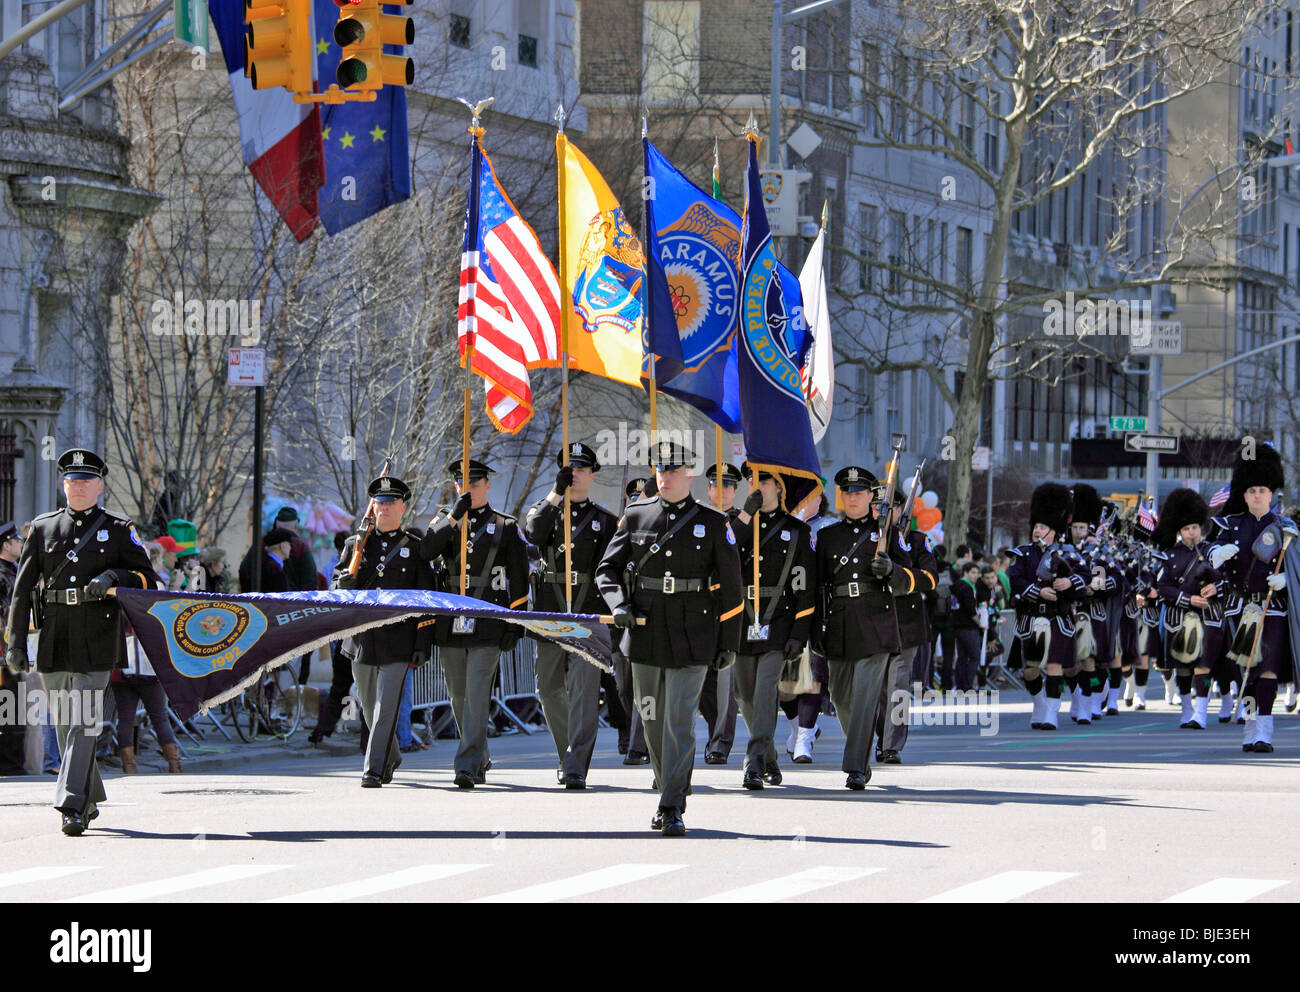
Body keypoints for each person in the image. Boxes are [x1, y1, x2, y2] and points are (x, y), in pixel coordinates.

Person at [3, 448, 159, 836]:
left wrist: (112, 577)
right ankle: (89, 798)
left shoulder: (119, 530)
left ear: (100, 486)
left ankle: (70, 804)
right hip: (55, 637)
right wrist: (16, 643)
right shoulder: (42, 528)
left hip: (97, 636)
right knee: (67, 723)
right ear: (63, 484)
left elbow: (147, 580)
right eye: (72, 481)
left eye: (86, 481)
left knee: (85, 720)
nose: (78, 487)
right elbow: (21, 594)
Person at [596, 440, 743, 836]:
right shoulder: (636, 515)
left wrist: (729, 643)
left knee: (678, 719)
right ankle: (671, 784)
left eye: (673, 470)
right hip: (644, 631)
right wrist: (619, 605)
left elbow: (732, 588)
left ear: (689, 474)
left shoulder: (713, 523)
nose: (665, 476)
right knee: (651, 717)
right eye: (660, 469)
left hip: (694, 632)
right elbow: (606, 571)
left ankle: (671, 803)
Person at [422, 458, 530, 789]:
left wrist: (516, 621)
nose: (467, 488)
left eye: (474, 483)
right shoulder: (445, 520)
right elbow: (427, 551)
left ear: (487, 485)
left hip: (488, 619)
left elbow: (519, 575)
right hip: (452, 621)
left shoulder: (505, 525)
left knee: (478, 691)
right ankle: (479, 755)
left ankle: (466, 764)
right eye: (461, 483)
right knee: (458, 694)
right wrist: (454, 515)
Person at [815, 466, 920, 790]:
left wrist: (891, 570)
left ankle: (856, 766)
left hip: (876, 623)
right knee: (841, 697)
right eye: (847, 492)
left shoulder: (885, 532)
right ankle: (860, 747)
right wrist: (815, 630)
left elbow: (911, 578)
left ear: (871, 496)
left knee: (863, 698)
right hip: (840, 622)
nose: (852, 498)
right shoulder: (828, 536)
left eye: (858, 492)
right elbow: (819, 586)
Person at [524, 441, 618, 789]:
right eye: (568, 468)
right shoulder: (546, 510)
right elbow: (533, 533)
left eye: (581, 468)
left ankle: (576, 762)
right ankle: (567, 751)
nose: (574, 473)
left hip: (588, 615)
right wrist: (555, 493)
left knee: (583, 691)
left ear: (593, 475)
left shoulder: (605, 520)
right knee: (548, 688)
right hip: (550, 611)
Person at [332, 475, 436, 787]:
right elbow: (337, 585)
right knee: (366, 704)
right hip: (362, 638)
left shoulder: (414, 548)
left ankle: (373, 768)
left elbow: (426, 600)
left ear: (402, 507)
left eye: (391, 503)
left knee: (386, 705)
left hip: (399, 639)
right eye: (380, 502)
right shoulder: (356, 544)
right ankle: (391, 757)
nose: (385, 508)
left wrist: (423, 642)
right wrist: (343, 583)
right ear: (373, 507)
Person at [730, 464, 815, 789]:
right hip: (742, 622)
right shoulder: (736, 524)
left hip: (778, 621)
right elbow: (723, 552)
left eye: (764, 480)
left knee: (765, 692)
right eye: (752, 479)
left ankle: (752, 763)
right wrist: (744, 517)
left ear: (779, 487)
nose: (756, 485)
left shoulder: (797, 531)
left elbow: (806, 588)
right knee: (745, 696)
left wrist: (799, 634)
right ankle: (770, 759)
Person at [1211, 445, 1295, 752]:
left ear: (1271, 494)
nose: (1257, 495)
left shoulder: (1287, 528)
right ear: (1244, 495)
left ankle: (1265, 731)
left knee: (1269, 668)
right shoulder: (1230, 526)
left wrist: (1286, 579)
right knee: (1244, 672)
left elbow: (1298, 568)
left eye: (1262, 490)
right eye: (1252, 490)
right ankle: (1249, 728)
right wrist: (1218, 554)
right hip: (1240, 607)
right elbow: (1210, 556)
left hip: (1273, 607)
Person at [1006, 483, 1089, 730]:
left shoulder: (1068, 553)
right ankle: (1040, 703)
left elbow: (1085, 574)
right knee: (1030, 670)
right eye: (1036, 526)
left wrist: (1067, 582)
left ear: (1053, 532)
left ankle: (1052, 713)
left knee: (1055, 665)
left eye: (1042, 526)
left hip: (1057, 618)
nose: (1037, 530)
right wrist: (1039, 591)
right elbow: (1015, 579)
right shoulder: (1022, 554)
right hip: (1031, 618)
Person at [1153, 488, 1227, 731]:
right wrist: (1188, 599)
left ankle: (1201, 712)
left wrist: (1216, 588)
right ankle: (1187, 709)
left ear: (1201, 527)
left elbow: (1227, 580)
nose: (1191, 532)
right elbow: (1162, 587)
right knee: (1184, 667)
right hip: (1180, 618)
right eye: (1186, 529)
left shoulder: (1212, 551)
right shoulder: (1169, 555)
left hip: (1208, 617)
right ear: (1179, 531)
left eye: (1195, 527)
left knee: (1203, 664)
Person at [875, 491, 937, 764]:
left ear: (901, 509)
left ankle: (891, 745)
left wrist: (896, 571)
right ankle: (879, 737)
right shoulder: (868, 538)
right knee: (876, 690)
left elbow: (930, 579)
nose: (882, 510)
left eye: (888, 506)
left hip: (905, 624)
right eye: (877, 505)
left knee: (897, 687)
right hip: (872, 624)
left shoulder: (917, 541)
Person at [699, 461, 743, 764]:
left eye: (728, 485)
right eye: (717, 484)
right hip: (699, 607)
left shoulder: (744, 521)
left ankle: (720, 743)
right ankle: (715, 729)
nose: (722, 490)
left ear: (735, 491)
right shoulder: (697, 517)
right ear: (708, 488)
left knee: (726, 682)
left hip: (729, 607)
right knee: (701, 683)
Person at [614, 478, 652, 764]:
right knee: (624, 689)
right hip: (618, 625)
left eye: (642, 496)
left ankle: (640, 744)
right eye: (633, 497)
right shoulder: (619, 533)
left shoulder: (650, 532)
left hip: (646, 622)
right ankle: (629, 732)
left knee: (643, 688)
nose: (636, 500)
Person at [275, 507, 319, 686]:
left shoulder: (261, 545)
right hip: (295, 613)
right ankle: (294, 695)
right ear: (295, 525)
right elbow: (310, 583)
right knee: (297, 661)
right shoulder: (301, 547)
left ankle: (272, 699)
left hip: (266, 612)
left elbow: (245, 572)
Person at [951, 560, 983, 691]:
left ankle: (960, 685)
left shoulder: (955, 586)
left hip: (957, 626)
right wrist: (980, 623)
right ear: (966, 573)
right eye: (973, 572)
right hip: (968, 627)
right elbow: (971, 610)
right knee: (974, 656)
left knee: (962, 657)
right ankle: (967, 685)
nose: (976, 576)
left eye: (977, 573)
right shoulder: (967, 588)